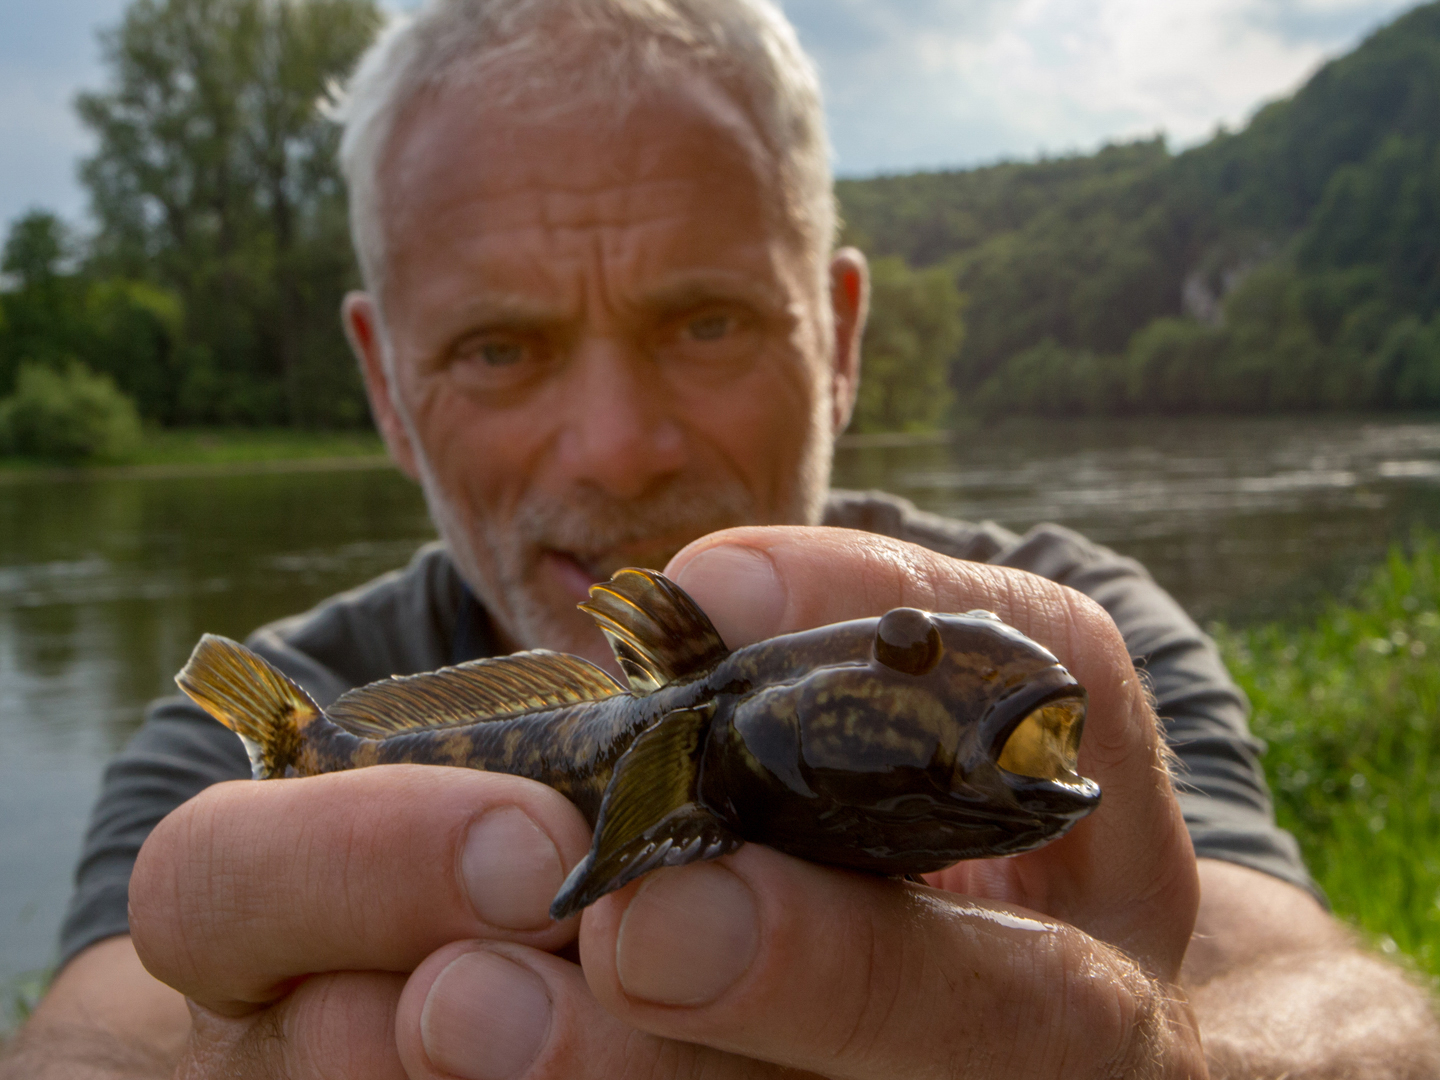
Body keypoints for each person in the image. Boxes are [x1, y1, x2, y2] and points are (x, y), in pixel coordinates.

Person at [6, 1, 1439, 1076]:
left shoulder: (1070, 632)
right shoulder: (256, 728)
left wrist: (1163, 1059)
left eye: (709, 321)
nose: (620, 443)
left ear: (841, 338)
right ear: (385, 386)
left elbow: (1339, 1007)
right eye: (501, 348)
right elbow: (93, 1033)